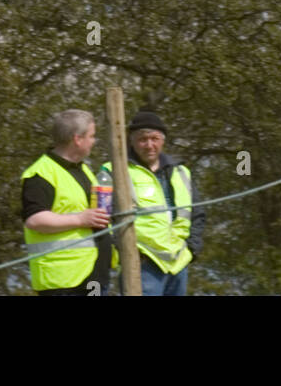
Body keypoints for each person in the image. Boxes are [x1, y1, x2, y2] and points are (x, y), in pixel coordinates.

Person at [101, 110, 204, 297]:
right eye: (142, 139)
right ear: (131, 141)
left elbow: (197, 213)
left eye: (155, 138)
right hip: (142, 263)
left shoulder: (181, 172)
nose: (149, 145)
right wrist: (123, 253)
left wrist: (192, 249)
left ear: (163, 140)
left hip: (178, 263)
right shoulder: (112, 171)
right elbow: (103, 218)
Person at [21, 108, 112, 296]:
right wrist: (80, 219)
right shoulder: (40, 174)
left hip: (92, 275)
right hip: (63, 282)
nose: (94, 142)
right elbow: (35, 220)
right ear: (77, 139)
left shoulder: (83, 169)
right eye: (92, 136)